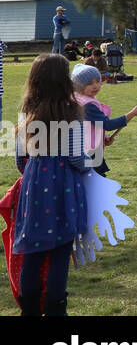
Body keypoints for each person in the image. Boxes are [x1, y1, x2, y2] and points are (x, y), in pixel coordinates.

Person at [12, 54, 87, 316]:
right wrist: (91, 164)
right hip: (64, 184)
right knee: (60, 249)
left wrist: (35, 172)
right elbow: (77, 157)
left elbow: (20, 158)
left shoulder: (27, 111)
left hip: (35, 183)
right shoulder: (71, 111)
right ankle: (56, 309)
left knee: (33, 249)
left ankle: (29, 309)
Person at [71, 64, 137, 177]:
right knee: (97, 187)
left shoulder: (80, 99)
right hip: (88, 153)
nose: (95, 86)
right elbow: (108, 124)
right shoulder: (86, 105)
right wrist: (132, 114)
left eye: (97, 81)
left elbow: (89, 127)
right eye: (89, 83)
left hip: (85, 150)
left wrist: (101, 139)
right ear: (78, 86)